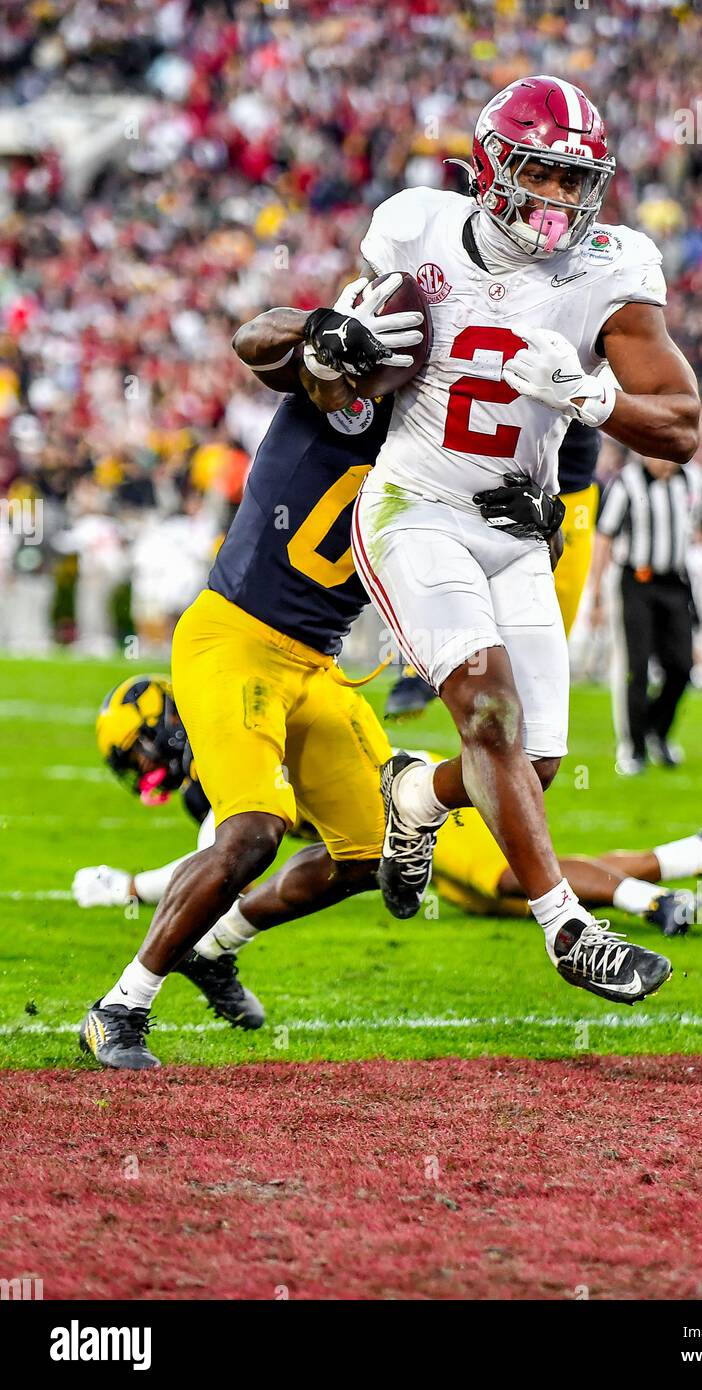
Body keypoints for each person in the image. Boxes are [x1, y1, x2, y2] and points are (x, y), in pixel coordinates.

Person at [349, 75, 700, 1003]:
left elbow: (683, 424)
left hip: (516, 526)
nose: (562, 201)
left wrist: (595, 398)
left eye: (578, 182)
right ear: (497, 167)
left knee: (531, 761)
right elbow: (350, 364)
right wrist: (344, 342)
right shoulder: (416, 230)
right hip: (416, 507)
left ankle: (415, 797)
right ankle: (569, 932)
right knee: (492, 718)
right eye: (544, 176)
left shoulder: (611, 271)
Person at [78, 279, 429, 1070]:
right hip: (237, 638)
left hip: (316, 663)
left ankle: (217, 945)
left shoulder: (435, 439)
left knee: (370, 855)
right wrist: (317, 328)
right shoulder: (333, 383)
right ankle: (118, 1008)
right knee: (252, 831)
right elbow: (257, 340)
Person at [76, 688, 702, 996]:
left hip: (410, 804)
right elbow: (214, 858)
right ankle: (698, 852)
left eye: (134, 752)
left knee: (510, 879)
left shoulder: (238, 746)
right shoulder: (213, 776)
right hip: (381, 826)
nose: (137, 769)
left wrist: (127, 887)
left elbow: (215, 864)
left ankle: (647, 900)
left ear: (162, 724)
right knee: (500, 895)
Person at [384, 420, 600, 719]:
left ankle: (519, 706)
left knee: (548, 636)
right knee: (451, 566)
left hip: (568, 477)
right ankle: (428, 663)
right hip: (487, 460)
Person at [588, 453, 702, 775]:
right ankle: (633, 748)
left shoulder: (693, 479)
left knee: (682, 666)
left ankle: (657, 732)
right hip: (637, 581)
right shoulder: (627, 482)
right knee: (634, 668)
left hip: (676, 581)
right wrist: (596, 592)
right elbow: (604, 536)